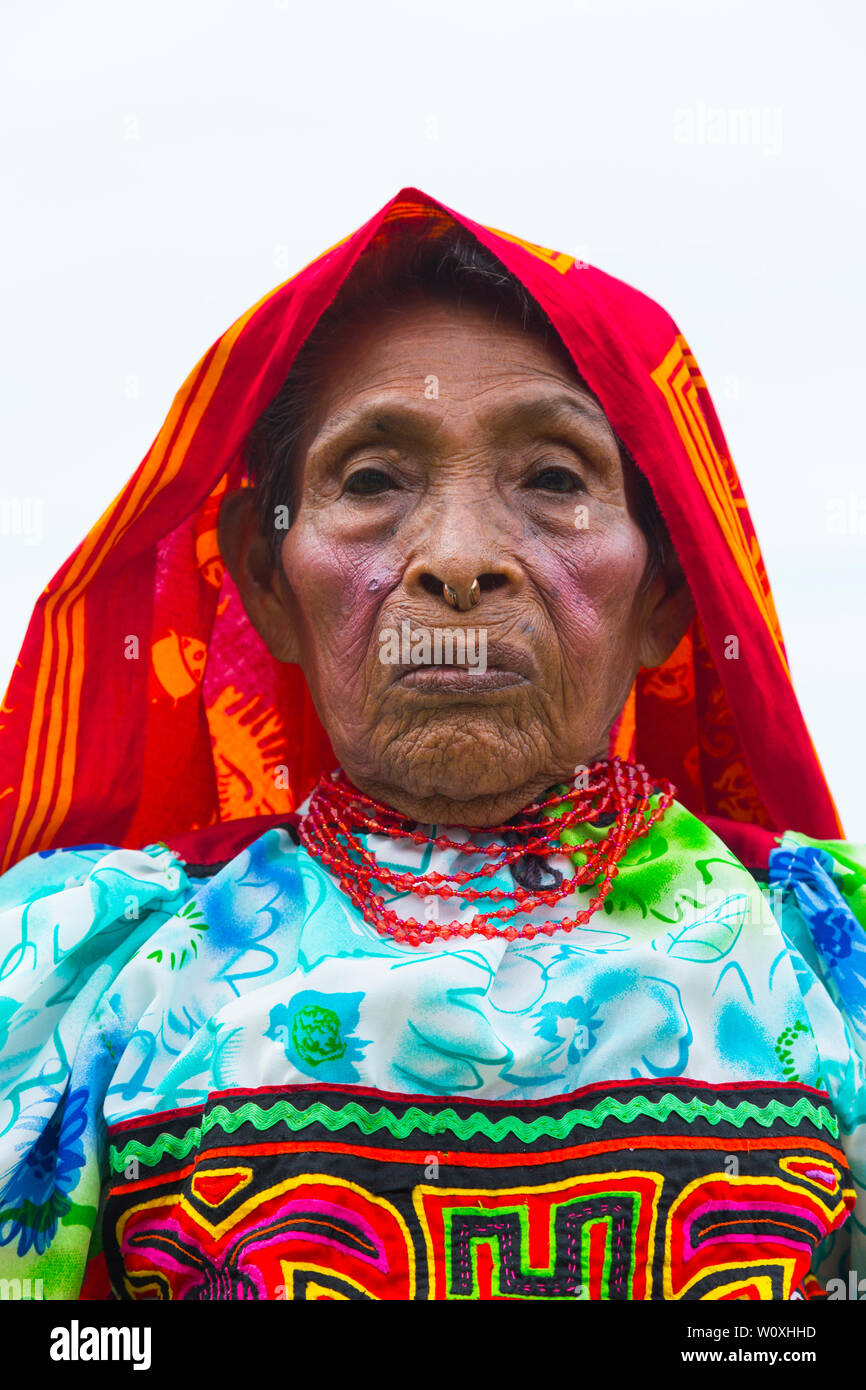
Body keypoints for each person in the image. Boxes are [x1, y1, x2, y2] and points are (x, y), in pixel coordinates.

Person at [0, 188, 863, 1302]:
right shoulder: (72, 971)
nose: (458, 560)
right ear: (265, 581)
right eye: (371, 481)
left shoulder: (825, 958)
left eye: (554, 479)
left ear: (664, 592)